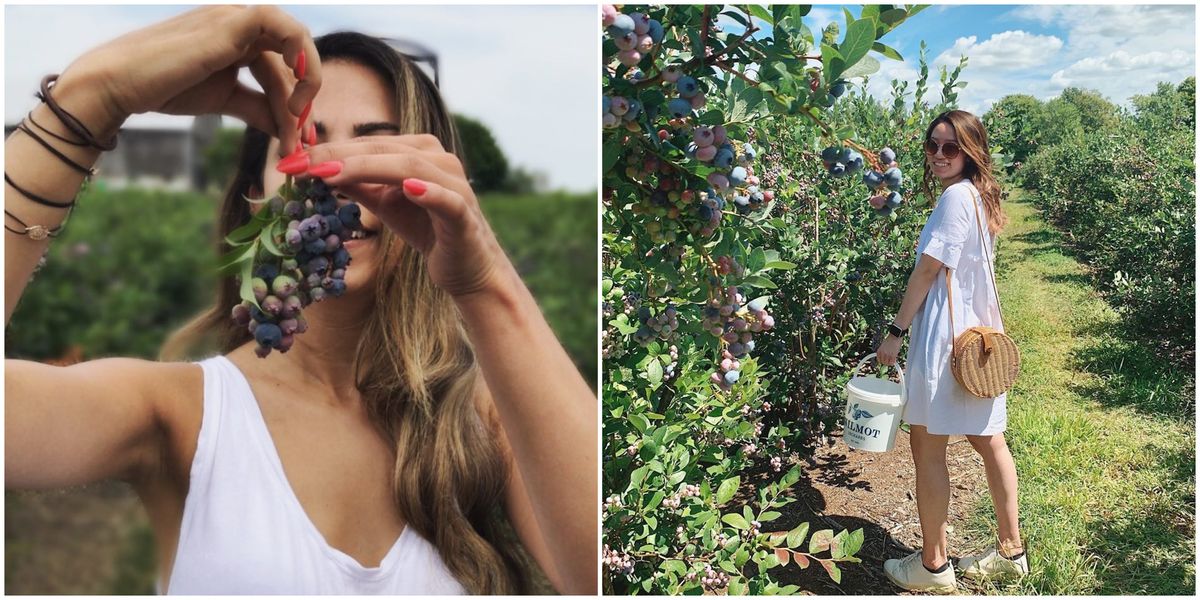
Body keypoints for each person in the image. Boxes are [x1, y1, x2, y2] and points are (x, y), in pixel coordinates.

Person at [4, 6, 596, 595]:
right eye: (306, 148)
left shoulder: (485, 423)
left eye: (377, 149)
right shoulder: (181, 414)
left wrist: (485, 284)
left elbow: (615, 573)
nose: (335, 179)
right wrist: (88, 102)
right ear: (256, 196)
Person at [874, 110, 1027, 592]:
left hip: (946, 339)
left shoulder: (955, 198)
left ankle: (933, 565)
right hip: (979, 339)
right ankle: (1011, 552)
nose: (939, 155)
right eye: (932, 145)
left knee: (928, 445)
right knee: (989, 440)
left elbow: (927, 271)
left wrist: (895, 332)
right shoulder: (982, 197)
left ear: (972, 150)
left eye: (951, 148)